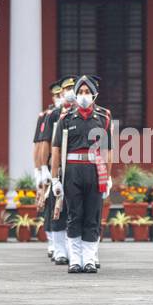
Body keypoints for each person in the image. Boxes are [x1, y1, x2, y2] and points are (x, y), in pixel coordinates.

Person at [49, 75, 112, 274]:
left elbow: (107, 152)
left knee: (92, 216)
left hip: (95, 171)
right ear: (76, 95)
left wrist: (108, 177)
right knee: (74, 215)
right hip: (73, 172)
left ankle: (89, 259)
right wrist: (55, 179)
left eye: (87, 92)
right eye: (81, 92)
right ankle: (75, 259)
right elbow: (56, 151)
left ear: (94, 94)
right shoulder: (66, 119)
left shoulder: (103, 118)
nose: (84, 95)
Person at [37, 76, 77, 265]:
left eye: (73, 88)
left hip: (76, 167)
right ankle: (59, 249)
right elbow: (45, 143)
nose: (69, 93)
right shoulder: (53, 115)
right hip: (58, 167)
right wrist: (44, 169)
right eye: (66, 89)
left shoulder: (81, 113)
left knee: (76, 209)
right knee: (57, 209)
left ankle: (73, 249)